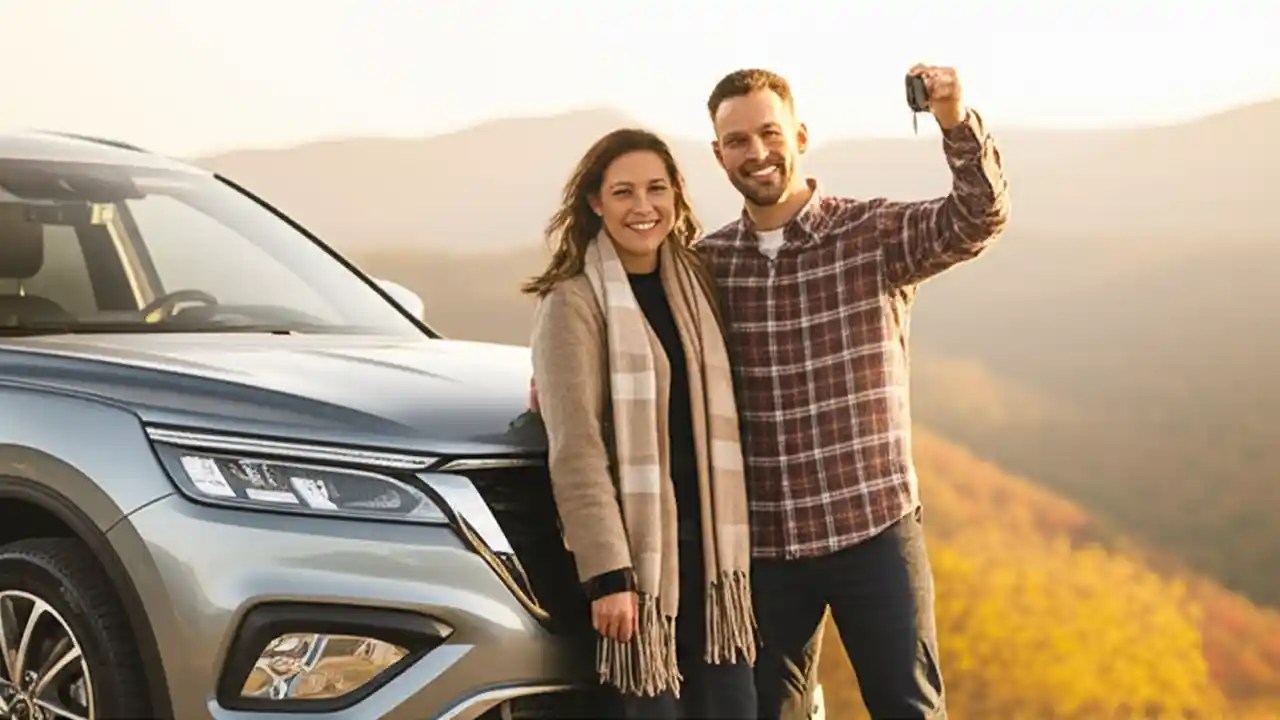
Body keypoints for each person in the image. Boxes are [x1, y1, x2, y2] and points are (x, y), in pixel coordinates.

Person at [694, 65, 1012, 720]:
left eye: (769, 133)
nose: (756, 153)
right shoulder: (709, 264)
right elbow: (635, 323)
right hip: (766, 548)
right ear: (718, 153)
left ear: (800, 136)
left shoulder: (871, 235)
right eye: (738, 141)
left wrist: (953, 117)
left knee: (908, 710)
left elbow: (979, 216)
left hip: (873, 531)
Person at [523, 128, 759, 719]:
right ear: (596, 203)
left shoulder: (699, 285)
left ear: (677, 196)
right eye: (623, 192)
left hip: (714, 570)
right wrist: (608, 576)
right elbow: (574, 451)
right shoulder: (572, 304)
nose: (643, 207)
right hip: (640, 576)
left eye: (656, 189)